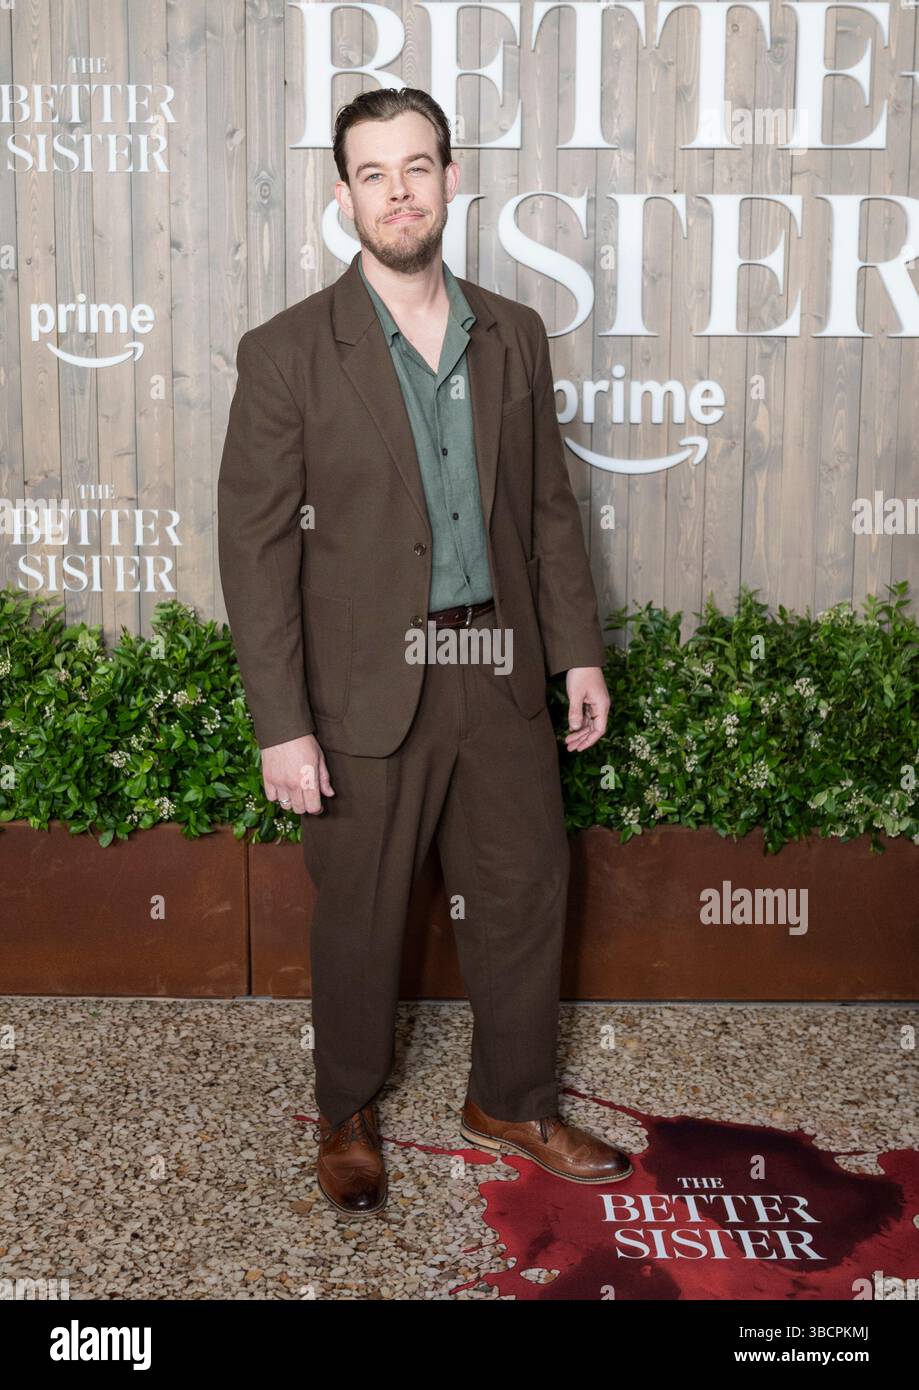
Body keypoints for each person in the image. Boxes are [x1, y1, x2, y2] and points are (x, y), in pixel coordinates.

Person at [217, 87, 633, 1217]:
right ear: (342, 196)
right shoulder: (286, 352)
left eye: (417, 167)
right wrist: (281, 723)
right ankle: (347, 1109)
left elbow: (549, 507)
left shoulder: (516, 332)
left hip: (496, 666)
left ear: (452, 180)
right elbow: (254, 553)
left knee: (525, 889)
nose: (398, 192)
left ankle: (512, 1097)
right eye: (373, 173)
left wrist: (577, 654)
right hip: (361, 688)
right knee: (357, 910)